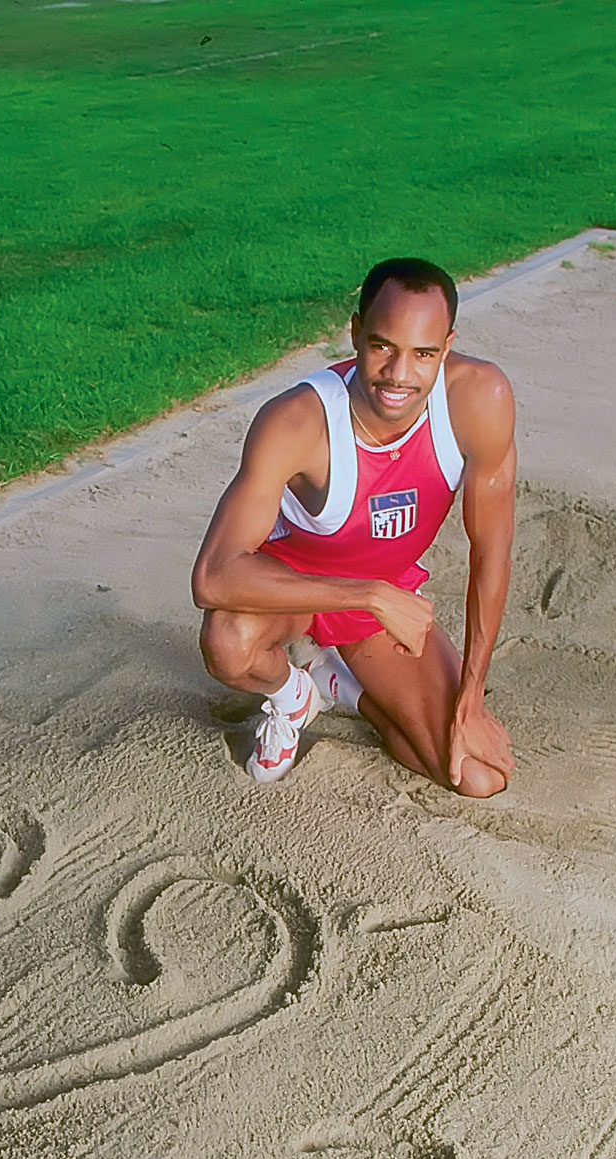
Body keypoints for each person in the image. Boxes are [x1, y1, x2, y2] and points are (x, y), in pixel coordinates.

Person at [191, 256, 516, 798]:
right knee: (229, 644)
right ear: (356, 332)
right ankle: (293, 693)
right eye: (383, 346)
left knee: (476, 776)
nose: (399, 374)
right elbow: (212, 578)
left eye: (424, 353)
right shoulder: (296, 421)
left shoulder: (481, 401)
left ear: (448, 345)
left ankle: (338, 685)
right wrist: (372, 597)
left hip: (377, 598)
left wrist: (471, 702)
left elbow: (493, 552)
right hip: (292, 585)